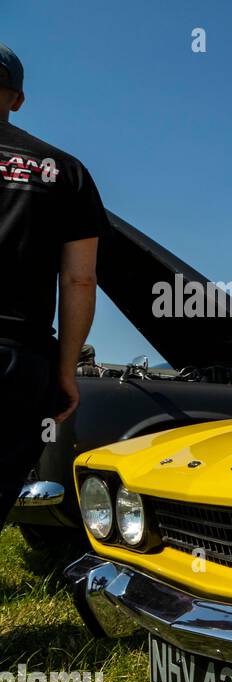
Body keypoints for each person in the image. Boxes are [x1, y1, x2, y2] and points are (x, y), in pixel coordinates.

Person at [0, 42, 106, 528]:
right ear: (18, 98)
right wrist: (66, 370)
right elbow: (80, 279)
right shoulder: (66, 171)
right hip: (18, 362)